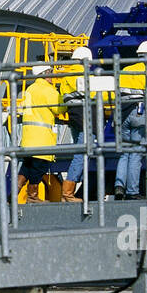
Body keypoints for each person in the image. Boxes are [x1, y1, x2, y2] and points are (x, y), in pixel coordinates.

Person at [113, 42, 147, 199]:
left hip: (122, 115)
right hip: (139, 114)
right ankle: (132, 191)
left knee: (125, 154)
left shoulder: (125, 70)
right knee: (136, 154)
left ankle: (119, 186)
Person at [17, 64, 62, 204]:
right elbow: (59, 108)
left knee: (26, 168)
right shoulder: (47, 90)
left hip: (28, 138)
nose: (52, 76)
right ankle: (32, 196)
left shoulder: (30, 89)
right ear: (45, 73)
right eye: (51, 72)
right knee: (39, 168)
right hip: (42, 138)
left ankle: (12, 194)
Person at [61, 46, 94, 202]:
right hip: (84, 116)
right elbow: (92, 92)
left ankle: (71, 190)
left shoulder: (66, 74)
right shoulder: (82, 73)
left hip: (73, 116)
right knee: (82, 154)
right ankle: (68, 193)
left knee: (79, 152)